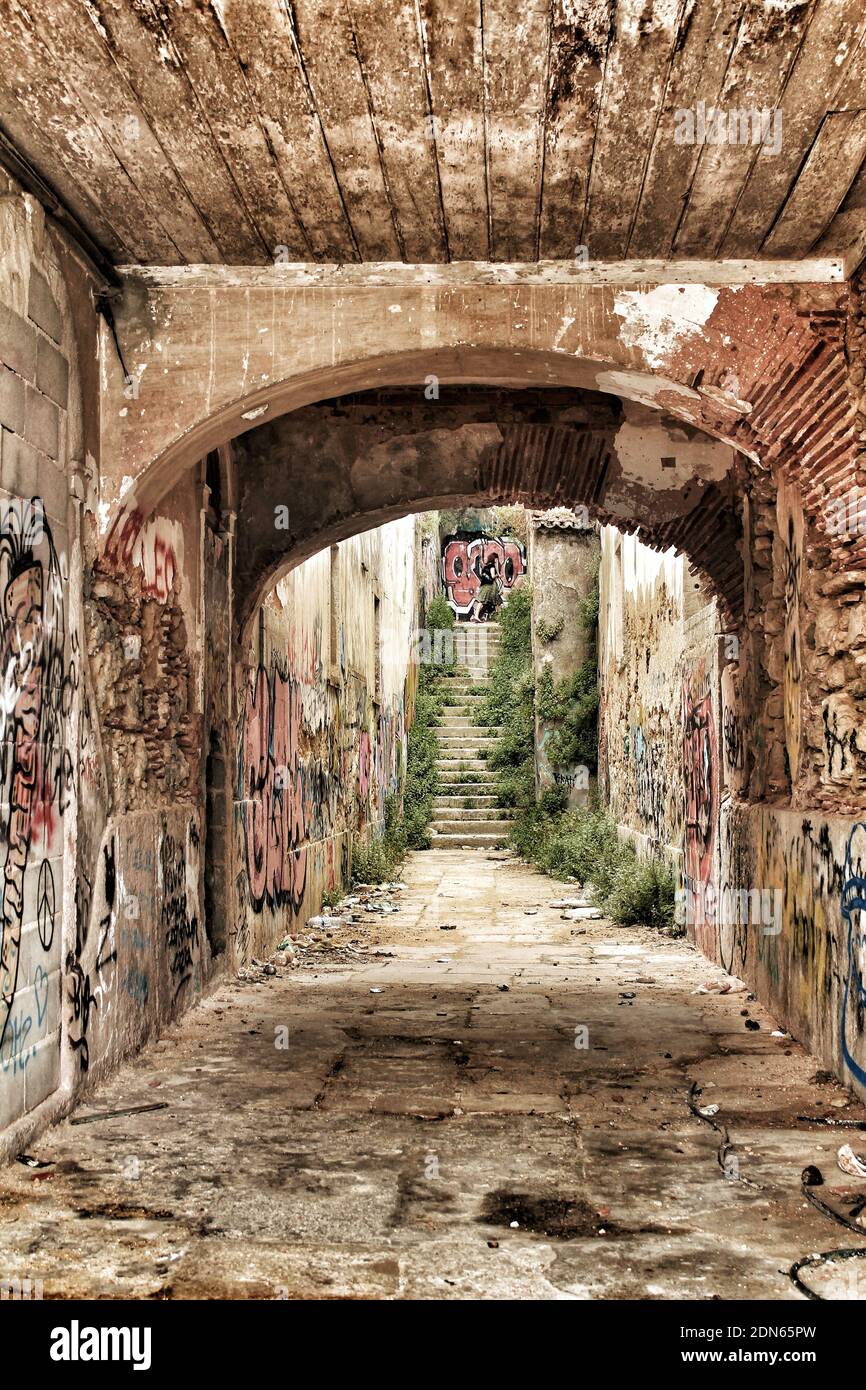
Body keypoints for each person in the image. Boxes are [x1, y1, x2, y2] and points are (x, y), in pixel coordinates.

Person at [470, 555, 501, 623]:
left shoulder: (485, 567)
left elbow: (483, 576)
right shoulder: (492, 566)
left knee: (481, 601)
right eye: (496, 559)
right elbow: (493, 576)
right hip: (490, 586)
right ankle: (500, 617)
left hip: (483, 585)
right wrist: (498, 575)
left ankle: (476, 616)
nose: (496, 561)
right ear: (493, 560)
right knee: (497, 601)